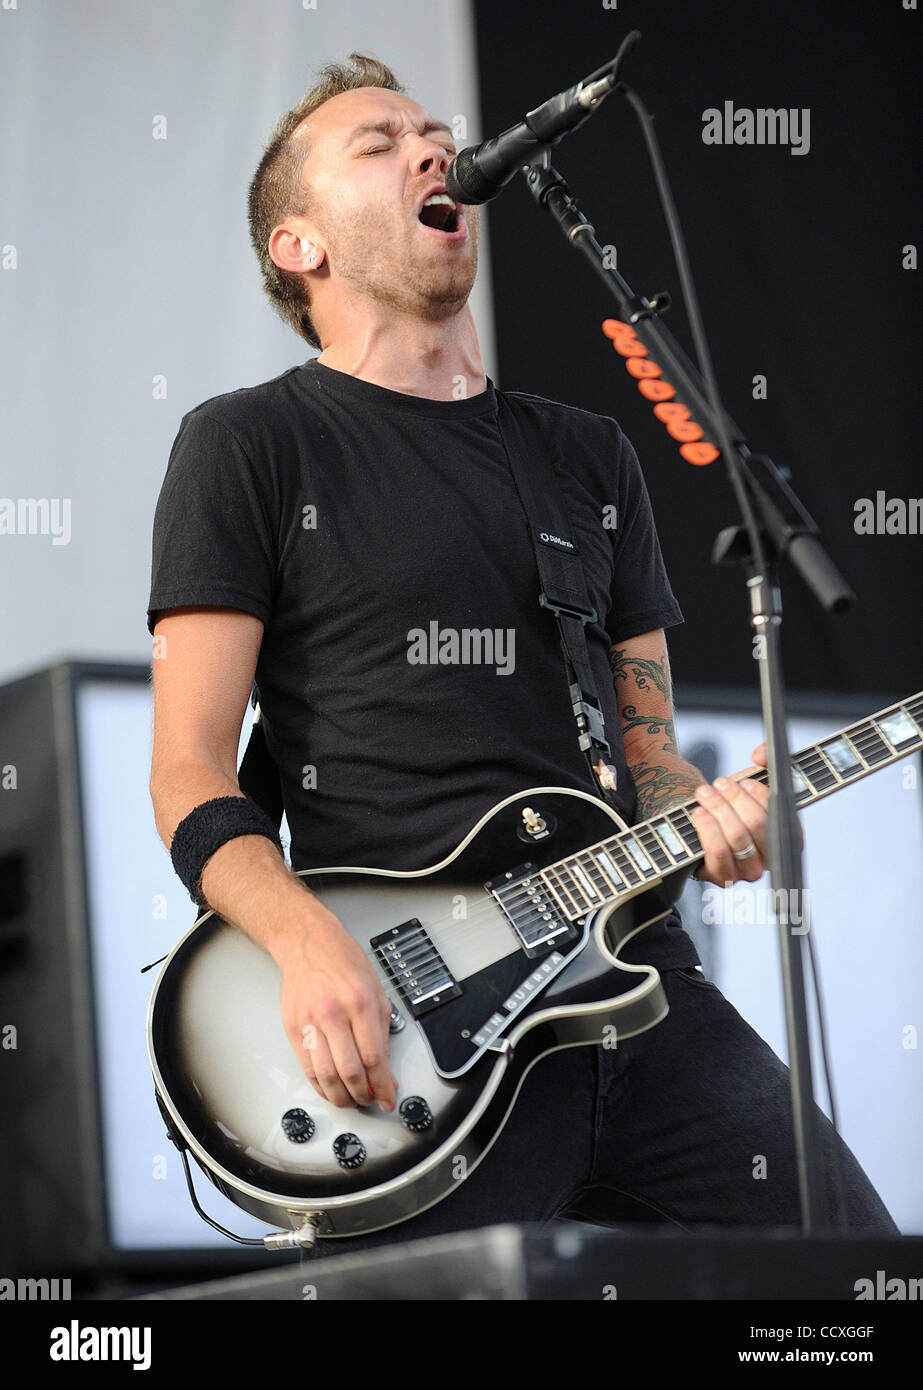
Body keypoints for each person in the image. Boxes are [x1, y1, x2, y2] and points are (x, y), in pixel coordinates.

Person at [147, 53, 896, 1253]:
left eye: (434, 132)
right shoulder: (250, 446)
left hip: (634, 984)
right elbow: (187, 770)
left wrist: (710, 817)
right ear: (300, 245)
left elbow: (643, 750)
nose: (432, 148)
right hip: (407, 1032)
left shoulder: (585, 456)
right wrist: (302, 943)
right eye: (379, 143)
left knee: (856, 1277)